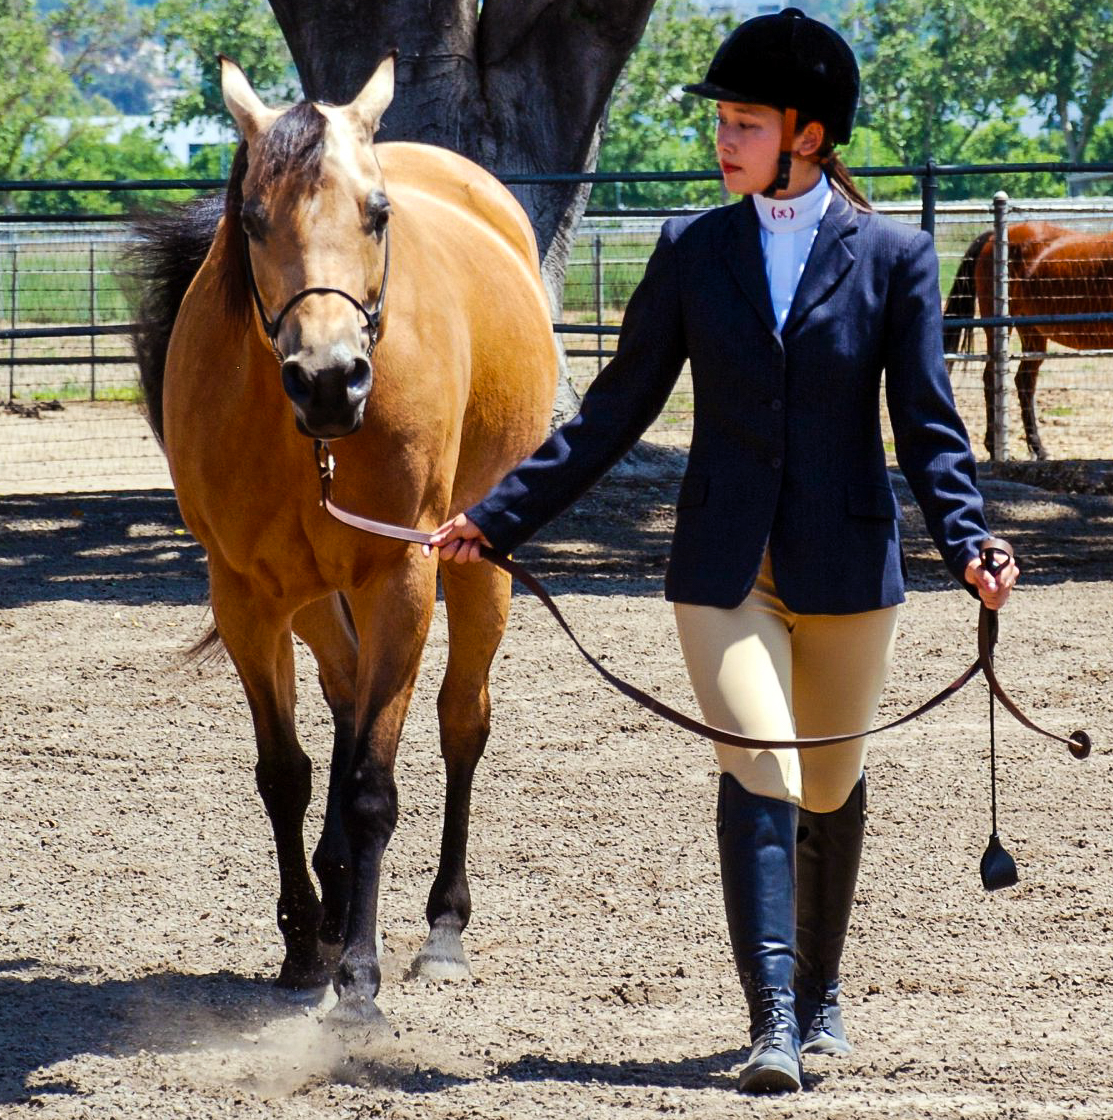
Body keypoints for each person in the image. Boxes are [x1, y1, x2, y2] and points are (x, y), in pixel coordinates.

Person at [428, 7, 1019, 1094]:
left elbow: (928, 427)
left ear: (806, 135)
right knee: (759, 760)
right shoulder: (691, 252)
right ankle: (775, 1020)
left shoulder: (894, 258)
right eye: (723, 123)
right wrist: (495, 517)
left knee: (829, 787)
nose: (723, 140)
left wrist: (971, 538)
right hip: (721, 568)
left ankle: (823, 988)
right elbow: (607, 414)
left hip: (845, 564)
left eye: (745, 123)